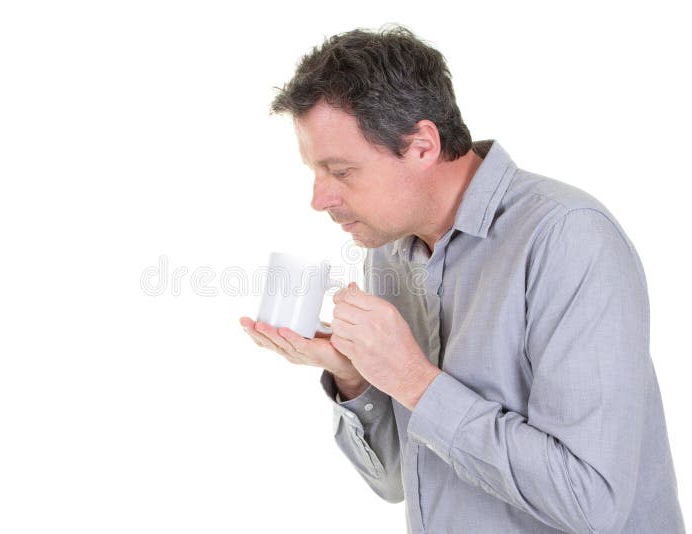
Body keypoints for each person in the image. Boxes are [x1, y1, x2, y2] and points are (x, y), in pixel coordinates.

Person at [239, 26, 685, 533]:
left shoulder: (568, 238)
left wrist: (412, 379)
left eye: (340, 171)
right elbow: (399, 483)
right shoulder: (389, 250)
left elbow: (591, 503)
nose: (319, 199)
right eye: (314, 172)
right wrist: (356, 375)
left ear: (423, 146)